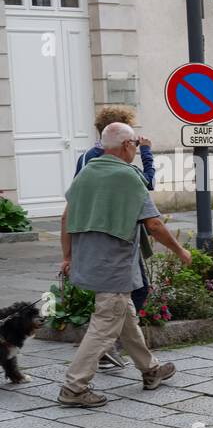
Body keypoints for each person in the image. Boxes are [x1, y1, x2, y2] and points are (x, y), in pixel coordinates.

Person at [58, 123, 190, 408]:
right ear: (128, 146)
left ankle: (150, 369)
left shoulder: (86, 173)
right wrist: (180, 250)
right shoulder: (128, 177)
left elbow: (65, 219)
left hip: (90, 262)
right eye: (134, 144)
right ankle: (74, 387)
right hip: (114, 266)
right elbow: (153, 224)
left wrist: (67, 256)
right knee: (105, 326)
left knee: (125, 315)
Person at [76, 106, 155, 372]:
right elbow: (146, 184)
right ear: (123, 138)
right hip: (115, 238)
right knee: (136, 291)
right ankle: (99, 353)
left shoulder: (86, 157)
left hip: (95, 235)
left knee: (124, 302)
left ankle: (148, 367)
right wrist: (146, 153)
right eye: (131, 138)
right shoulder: (112, 160)